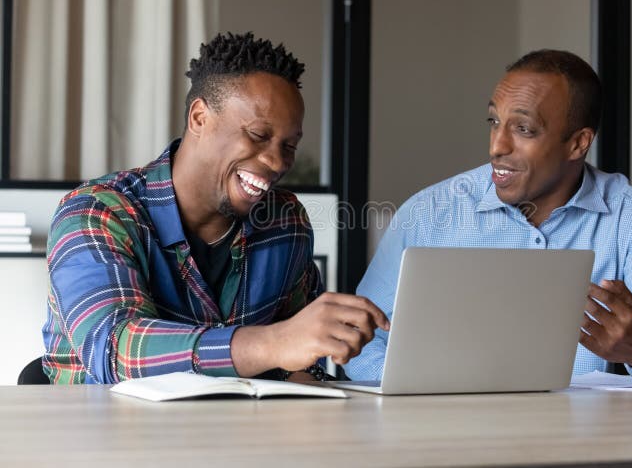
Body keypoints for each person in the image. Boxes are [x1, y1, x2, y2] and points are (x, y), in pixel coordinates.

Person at [43, 32, 388, 384]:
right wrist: (274, 343)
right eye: (258, 135)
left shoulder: (286, 222)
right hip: (105, 433)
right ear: (199, 118)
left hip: (240, 433)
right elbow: (115, 352)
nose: (275, 161)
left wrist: (312, 376)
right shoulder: (98, 212)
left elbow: (295, 361)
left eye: (289, 146)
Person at [344, 49, 632, 382]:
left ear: (578, 143)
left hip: (582, 439)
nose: (497, 146)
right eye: (494, 121)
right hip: (448, 433)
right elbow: (359, 338)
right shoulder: (427, 214)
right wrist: (415, 392)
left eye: (523, 129)